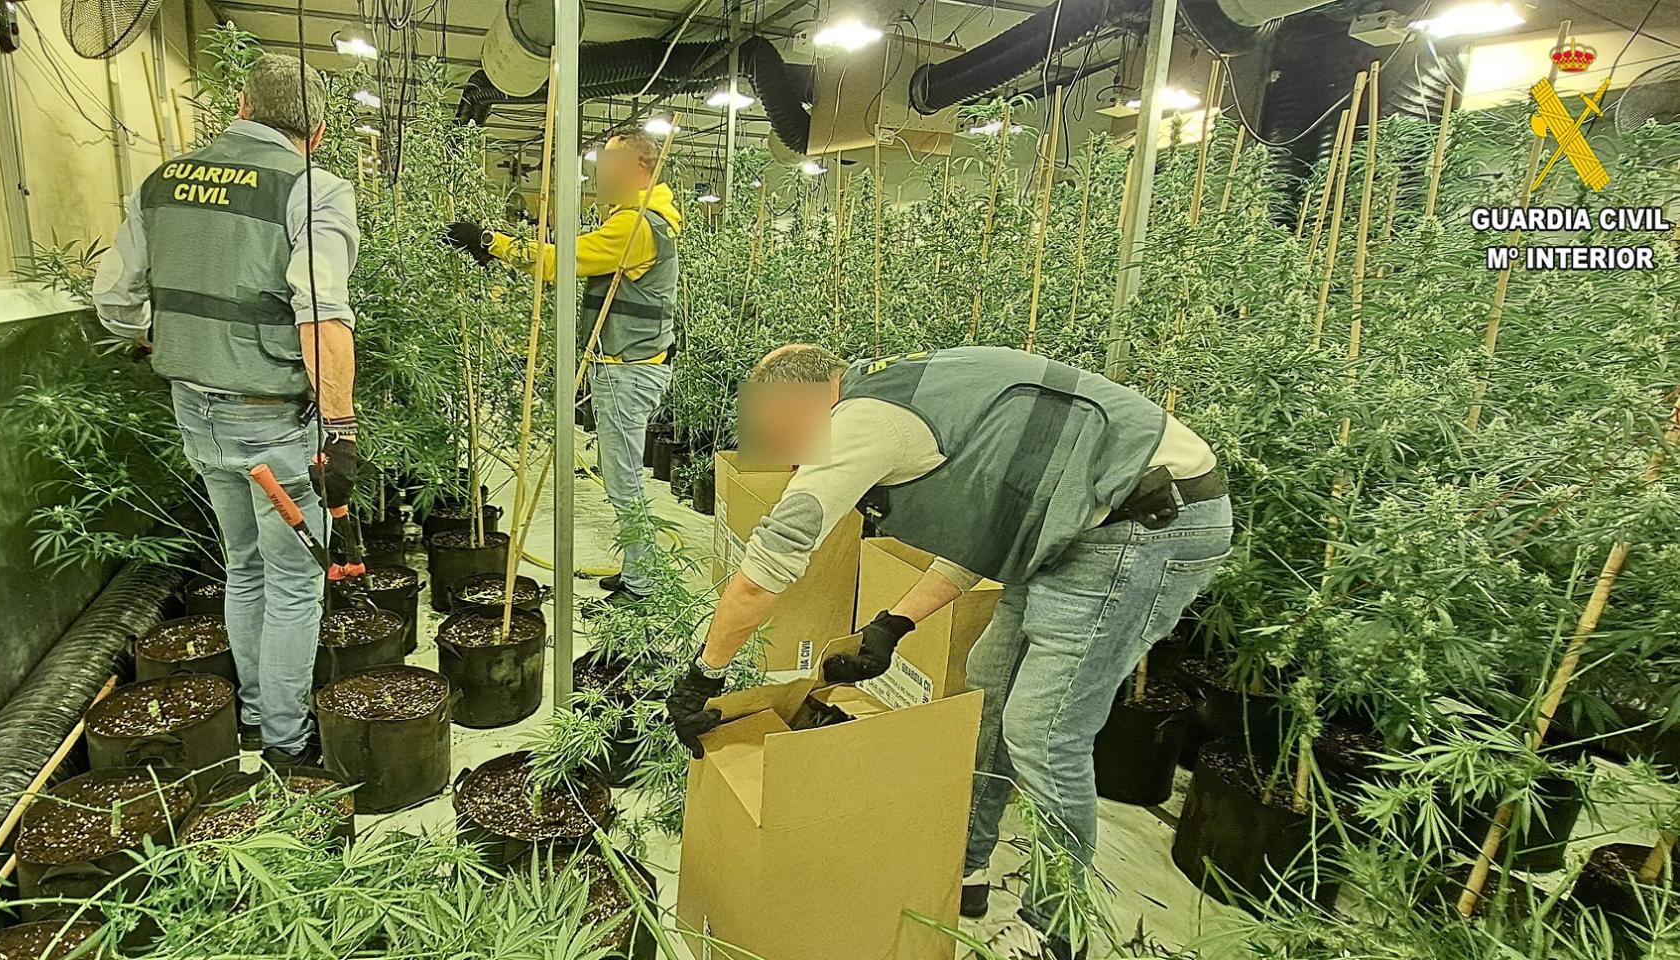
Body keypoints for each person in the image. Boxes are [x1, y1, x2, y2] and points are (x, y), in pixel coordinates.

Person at [665, 345, 1233, 960]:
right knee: (988, 682)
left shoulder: (859, 423)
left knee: (1045, 731)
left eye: (776, 431)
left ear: (804, 401)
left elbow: (766, 569)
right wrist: (894, 625)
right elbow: (990, 523)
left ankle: (1056, 930)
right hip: (1082, 520)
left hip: (1146, 521)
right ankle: (964, 865)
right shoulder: (906, 401)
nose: (784, 455)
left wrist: (702, 675)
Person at [93, 53, 361, 769]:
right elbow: (322, 316)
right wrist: (340, 432)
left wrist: (159, 337)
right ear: (320, 129)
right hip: (271, 415)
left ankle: (250, 717)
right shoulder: (313, 189)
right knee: (295, 580)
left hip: (196, 410)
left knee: (243, 568)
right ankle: (286, 741)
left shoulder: (161, 181)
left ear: (240, 104)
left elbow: (116, 302)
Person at [444, 128, 681, 608]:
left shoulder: (637, 226)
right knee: (622, 475)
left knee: (623, 478)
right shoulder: (640, 220)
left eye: (608, 168)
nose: (599, 177)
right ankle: (637, 568)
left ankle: (644, 584)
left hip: (629, 370)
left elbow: (561, 260)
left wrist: (492, 242)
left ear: (639, 169)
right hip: (630, 365)